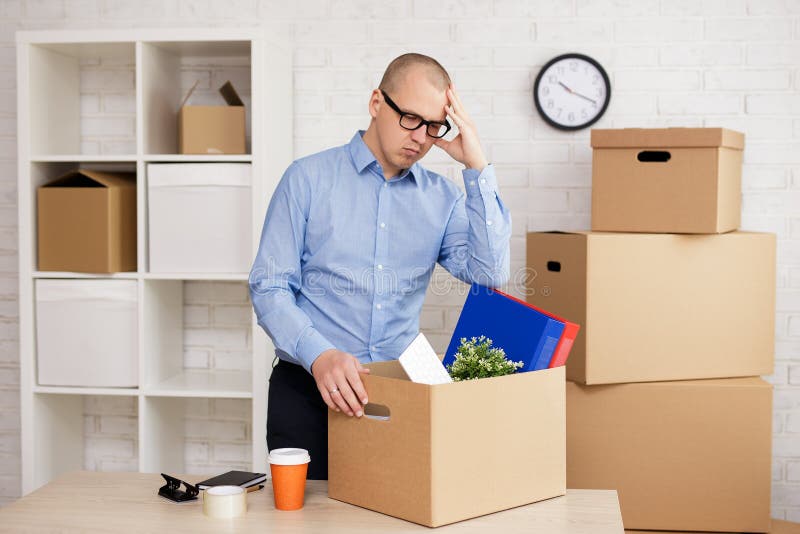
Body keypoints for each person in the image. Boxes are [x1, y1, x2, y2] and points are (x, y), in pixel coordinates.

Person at [249, 53, 511, 479]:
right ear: (376, 102)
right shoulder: (306, 179)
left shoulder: (442, 198)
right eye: (410, 118)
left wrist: (477, 168)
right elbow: (269, 287)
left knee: (398, 515)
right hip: (307, 387)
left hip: (400, 390)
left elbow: (490, 274)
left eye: (433, 126)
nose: (421, 138)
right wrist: (320, 356)